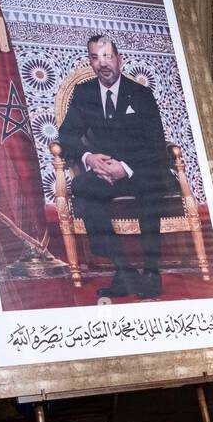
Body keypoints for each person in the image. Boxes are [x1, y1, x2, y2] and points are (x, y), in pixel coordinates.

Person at [57, 34, 172, 298]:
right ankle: (124, 270)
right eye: (95, 57)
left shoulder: (141, 94)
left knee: (151, 184)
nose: (103, 63)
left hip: (140, 168)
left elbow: (155, 145)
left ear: (119, 59)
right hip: (104, 171)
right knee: (82, 186)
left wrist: (125, 167)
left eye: (107, 56)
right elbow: (66, 136)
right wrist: (89, 158)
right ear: (90, 62)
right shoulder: (84, 93)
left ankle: (152, 273)